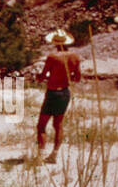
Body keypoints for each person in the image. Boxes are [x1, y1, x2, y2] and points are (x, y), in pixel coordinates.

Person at [35, 29, 82, 164]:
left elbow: (43, 76)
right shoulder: (75, 57)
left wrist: (40, 77)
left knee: (42, 125)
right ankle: (54, 154)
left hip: (52, 92)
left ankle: (40, 155)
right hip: (65, 93)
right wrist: (66, 76)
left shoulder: (52, 57)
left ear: (54, 42)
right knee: (58, 124)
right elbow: (77, 78)